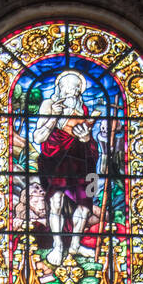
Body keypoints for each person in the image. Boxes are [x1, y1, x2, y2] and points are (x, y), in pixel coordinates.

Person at [33, 70, 99, 270]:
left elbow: (90, 144)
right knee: (56, 200)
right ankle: (57, 245)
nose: (70, 91)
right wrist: (54, 118)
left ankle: (76, 245)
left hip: (80, 161)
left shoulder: (84, 109)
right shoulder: (49, 105)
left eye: (75, 88)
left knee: (85, 205)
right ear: (59, 88)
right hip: (55, 161)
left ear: (80, 90)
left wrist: (86, 137)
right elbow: (38, 137)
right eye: (66, 87)